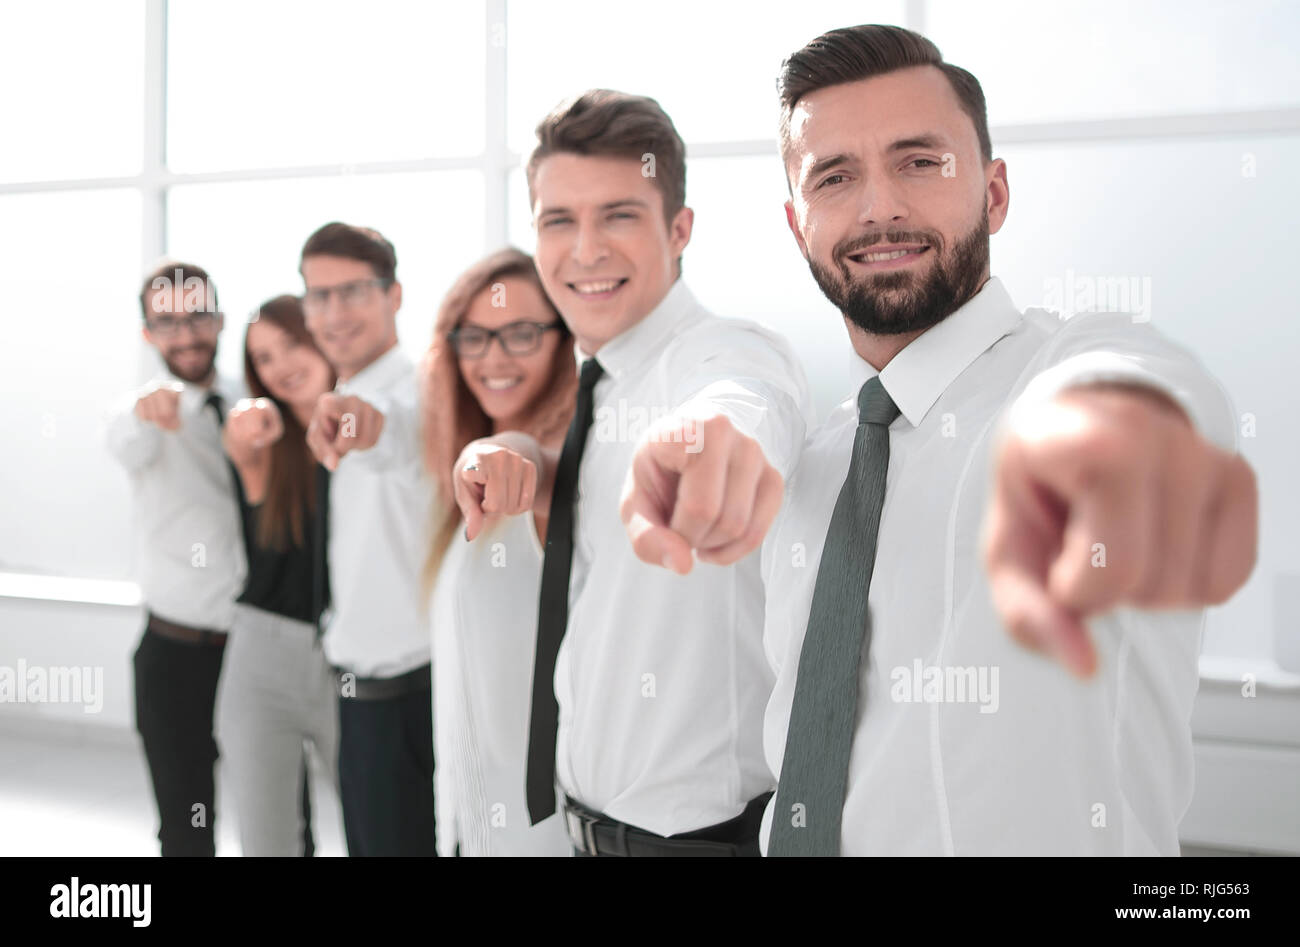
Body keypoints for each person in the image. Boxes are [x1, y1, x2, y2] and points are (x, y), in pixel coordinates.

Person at [755, 24, 1259, 856]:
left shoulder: (1069, 370)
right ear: (796, 224)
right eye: (835, 176)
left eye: (920, 161)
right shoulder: (817, 471)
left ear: (993, 193)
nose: (879, 204)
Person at [452, 91, 813, 856]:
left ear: (679, 230)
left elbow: (745, 401)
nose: (585, 250)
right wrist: (518, 452)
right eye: (559, 220)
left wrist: (712, 440)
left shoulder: (728, 354)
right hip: (578, 829)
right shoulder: (603, 386)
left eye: (619, 214)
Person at [422, 248, 576, 856]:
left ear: (563, 339)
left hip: (538, 833)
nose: (493, 358)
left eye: (520, 334)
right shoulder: (457, 477)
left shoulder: (553, 464)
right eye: (475, 337)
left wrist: (502, 450)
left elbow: (530, 462)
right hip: (470, 823)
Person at [301, 222, 439, 856]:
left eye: (352, 290)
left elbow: (395, 435)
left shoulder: (419, 392)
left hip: (410, 698)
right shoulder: (345, 394)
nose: (334, 312)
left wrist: (362, 424)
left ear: (395, 295)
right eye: (318, 295)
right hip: (361, 695)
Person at [103, 260, 245, 856]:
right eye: (168, 322)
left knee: (284, 817)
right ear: (147, 334)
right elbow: (127, 442)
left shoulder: (252, 402)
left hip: (253, 652)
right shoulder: (139, 414)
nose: (185, 335)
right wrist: (147, 409)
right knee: (185, 829)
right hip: (173, 654)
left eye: (196, 317)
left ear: (220, 320)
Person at [215, 294, 341, 856]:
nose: (280, 364)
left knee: (379, 828)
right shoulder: (263, 438)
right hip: (261, 656)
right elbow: (240, 435)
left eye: (291, 344)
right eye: (263, 358)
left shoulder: (372, 426)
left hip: (352, 661)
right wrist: (246, 420)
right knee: (267, 845)